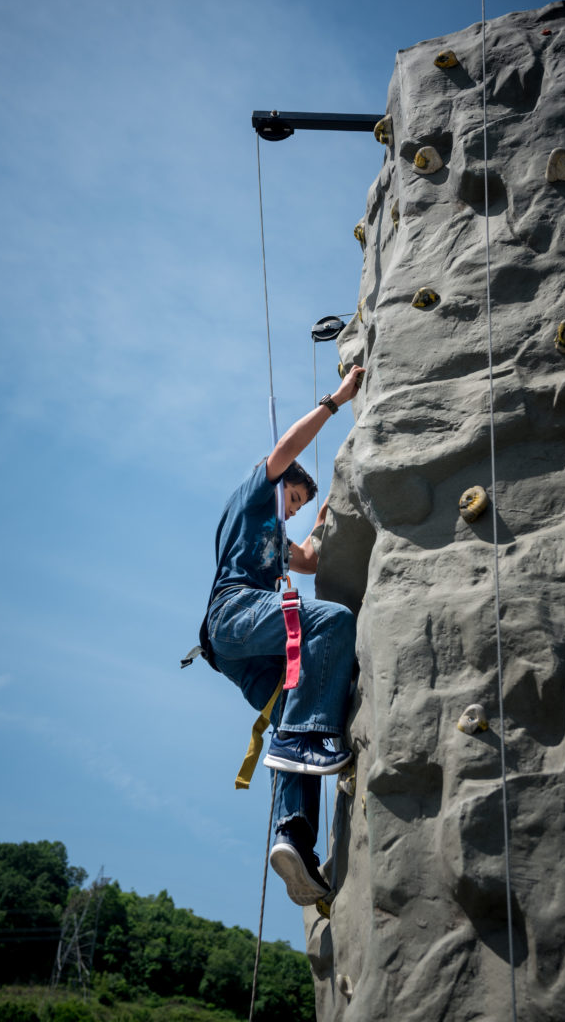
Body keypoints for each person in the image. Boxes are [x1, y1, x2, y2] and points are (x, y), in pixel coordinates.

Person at [205, 365, 364, 906]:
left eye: (296, 505)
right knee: (333, 620)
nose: (290, 510)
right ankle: (307, 745)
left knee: (293, 724)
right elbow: (287, 444)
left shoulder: (278, 535)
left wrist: (322, 519)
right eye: (292, 498)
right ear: (277, 480)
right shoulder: (255, 494)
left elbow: (310, 559)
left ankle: (291, 838)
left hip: (244, 656)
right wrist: (336, 400)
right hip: (234, 615)